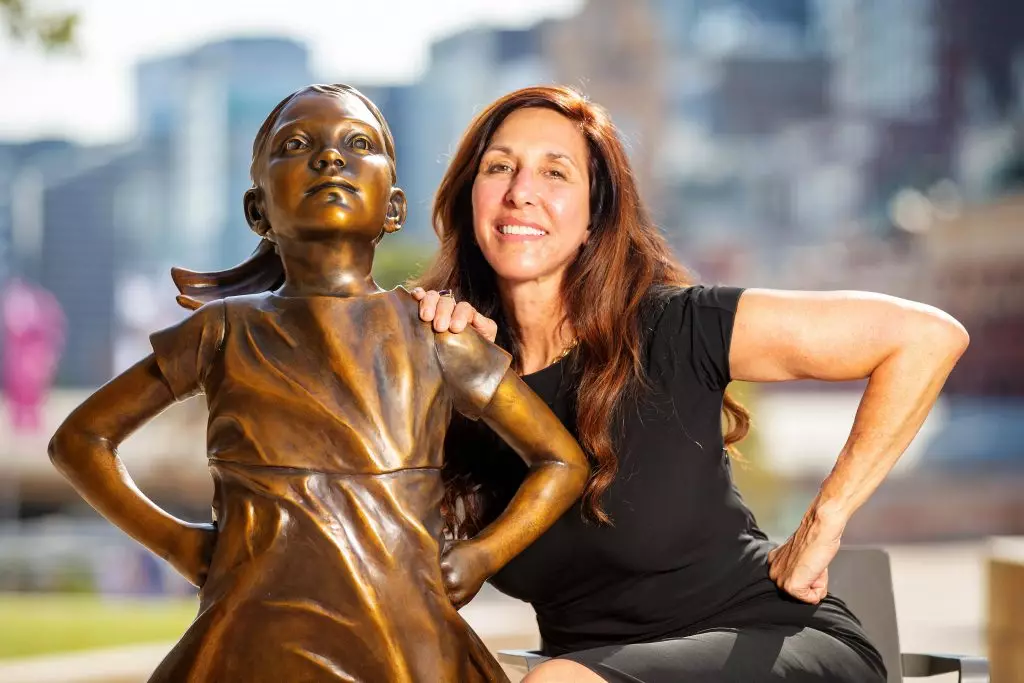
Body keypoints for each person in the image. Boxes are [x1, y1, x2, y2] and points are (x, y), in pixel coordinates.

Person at [411, 84, 970, 683]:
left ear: (595, 214)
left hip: (776, 640)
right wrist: (414, 352)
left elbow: (925, 337)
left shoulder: (678, 326)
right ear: (472, 197)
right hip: (595, 670)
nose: (522, 192)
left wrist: (822, 522)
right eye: (500, 168)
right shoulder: (460, 377)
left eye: (555, 173)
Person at [47, 84, 590, 683]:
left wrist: (483, 555)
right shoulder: (222, 332)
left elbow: (561, 461)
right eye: (297, 145)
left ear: (394, 208)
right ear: (258, 210)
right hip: (250, 646)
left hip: (406, 648)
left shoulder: (436, 335)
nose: (330, 158)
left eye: (357, 144)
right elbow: (80, 441)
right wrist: (181, 545)